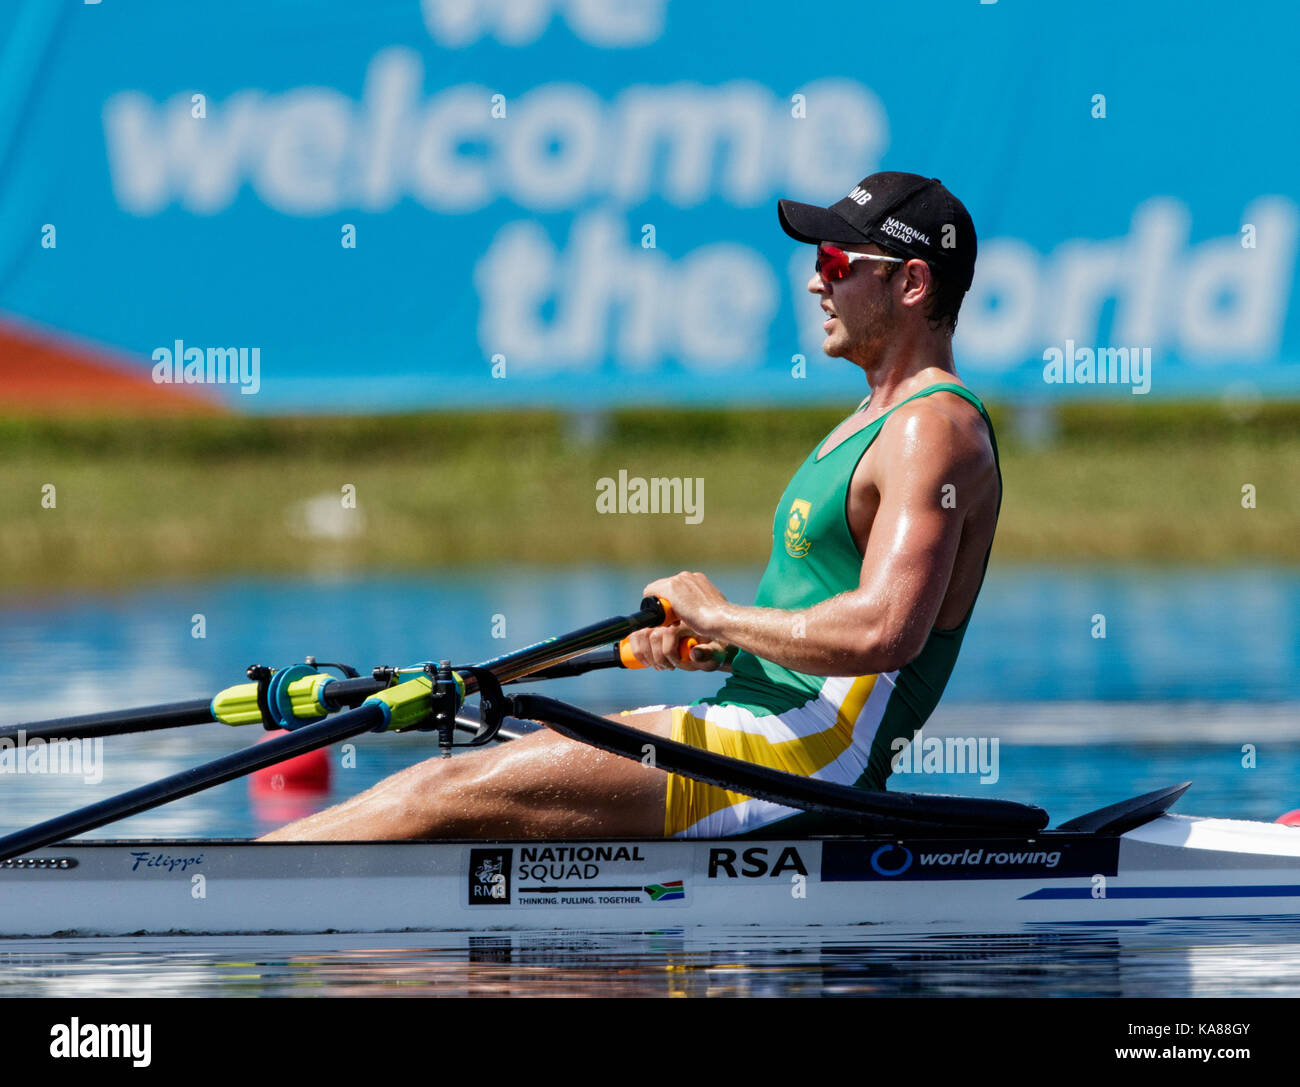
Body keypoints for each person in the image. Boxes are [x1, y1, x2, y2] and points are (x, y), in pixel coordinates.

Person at [261, 171, 999, 843]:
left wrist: (719, 613)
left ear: (910, 283)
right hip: (756, 729)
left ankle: (224, 894)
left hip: (804, 757)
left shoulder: (934, 428)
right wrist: (721, 646)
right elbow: (832, 618)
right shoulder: (872, 420)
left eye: (836, 264)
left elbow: (885, 630)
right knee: (473, 783)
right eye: (817, 264)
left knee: (443, 790)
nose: (815, 285)